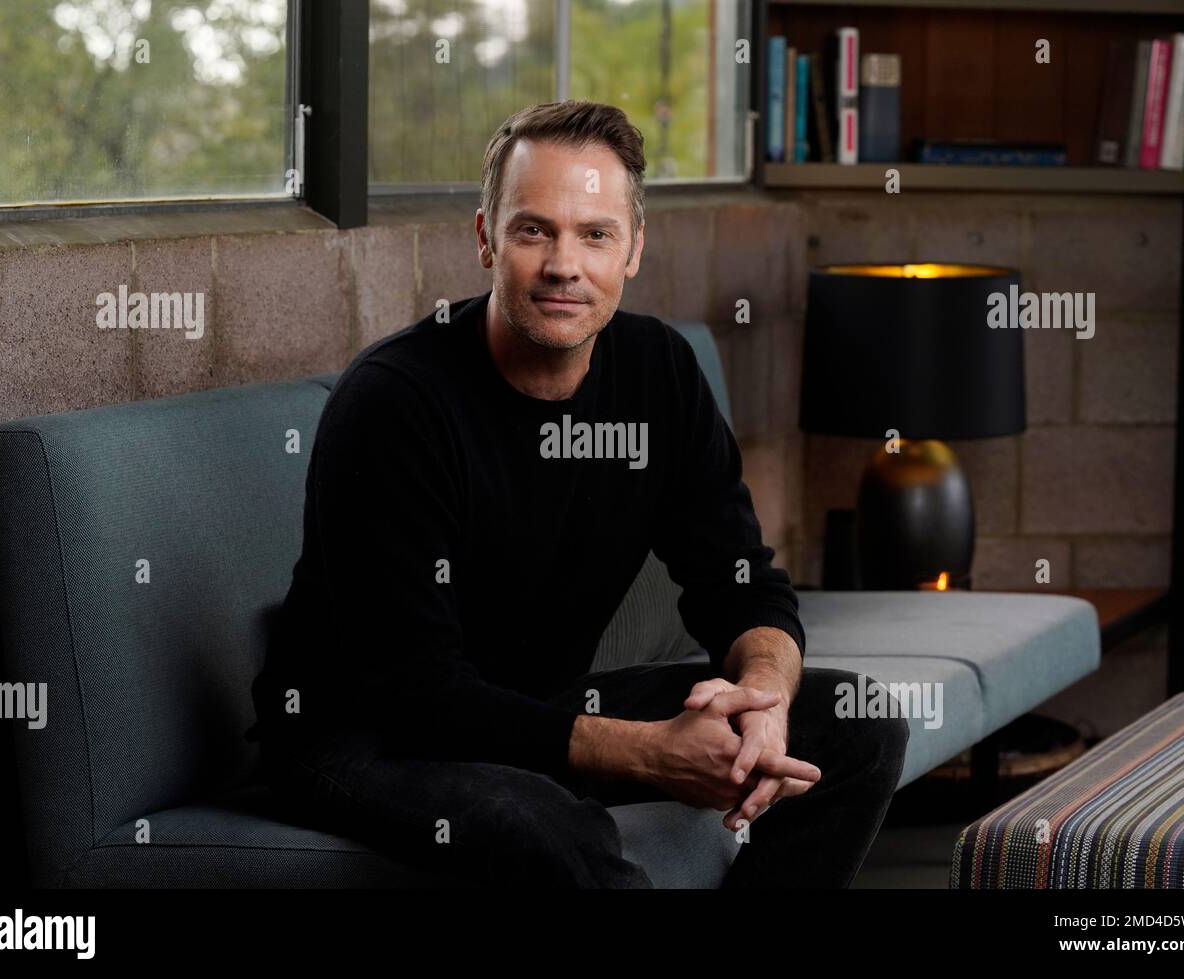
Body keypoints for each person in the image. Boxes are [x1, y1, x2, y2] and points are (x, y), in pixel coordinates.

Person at [248, 99, 908, 888]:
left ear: (632, 249)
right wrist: (652, 753)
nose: (566, 264)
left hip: (537, 704)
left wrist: (763, 695)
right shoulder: (397, 401)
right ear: (487, 236)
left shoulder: (659, 373)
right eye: (535, 230)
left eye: (595, 233)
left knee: (858, 725)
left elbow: (743, 582)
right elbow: (415, 691)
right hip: (361, 736)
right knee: (547, 829)